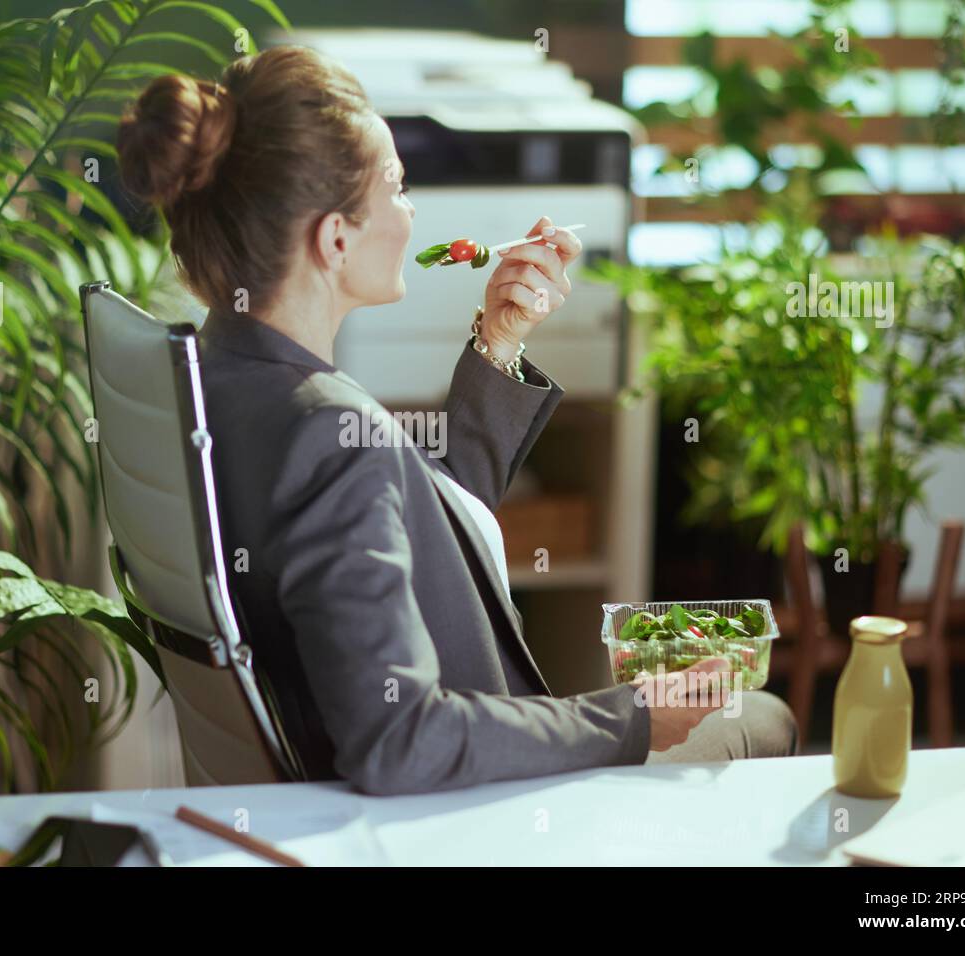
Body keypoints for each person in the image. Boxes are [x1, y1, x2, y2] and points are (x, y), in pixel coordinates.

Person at [116, 45, 798, 796]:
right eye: (399, 189)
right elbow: (401, 740)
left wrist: (497, 345)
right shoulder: (329, 433)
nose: (411, 214)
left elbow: (411, 519)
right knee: (762, 720)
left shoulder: (218, 375)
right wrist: (630, 717)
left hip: (337, 785)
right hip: (456, 805)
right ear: (335, 240)